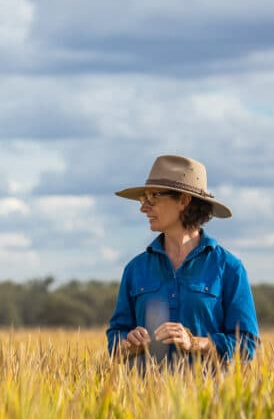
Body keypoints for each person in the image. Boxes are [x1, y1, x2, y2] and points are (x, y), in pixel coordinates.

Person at [106, 154, 259, 368]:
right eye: (144, 199)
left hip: (207, 399)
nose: (144, 208)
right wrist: (127, 343)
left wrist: (195, 343)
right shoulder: (135, 269)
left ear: (184, 201)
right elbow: (115, 338)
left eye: (154, 198)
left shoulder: (229, 268)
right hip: (145, 399)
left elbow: (247, 345)